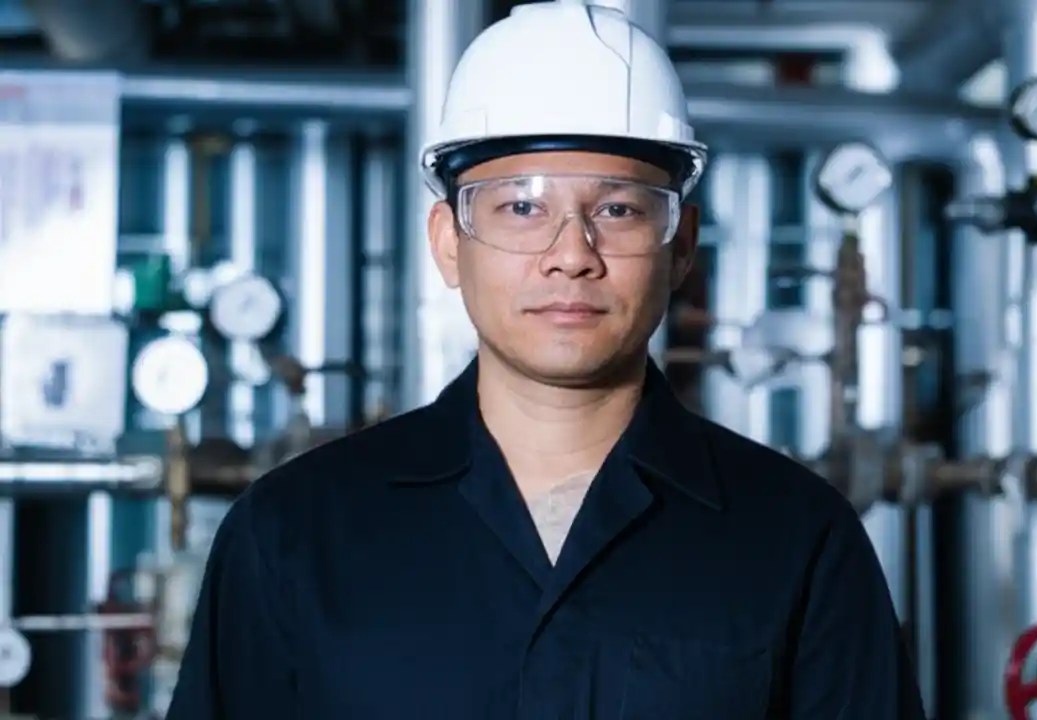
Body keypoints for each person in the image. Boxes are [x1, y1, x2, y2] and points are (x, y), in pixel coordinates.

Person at [165, 1, 926, 718]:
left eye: (618, 209)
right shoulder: (293, 533)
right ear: (447, 242)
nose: (571, 255)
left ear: (681, 245)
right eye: (522, 207)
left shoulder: (796, 538)